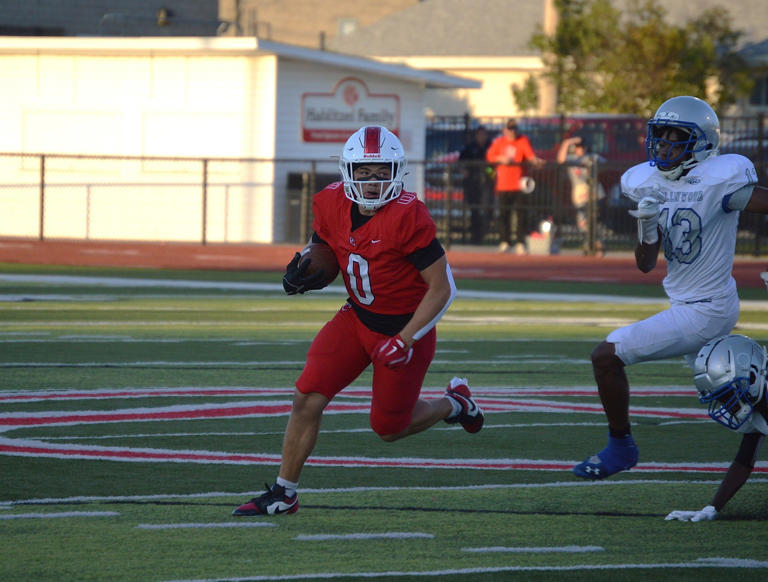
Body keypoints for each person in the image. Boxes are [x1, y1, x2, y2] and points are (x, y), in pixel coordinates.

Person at [232, 125, 484, 516]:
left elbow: (443, 287)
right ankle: (285, 492)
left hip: (404, 328)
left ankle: (454, 404)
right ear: (347, 171)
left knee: (389, 428)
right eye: (363, 172)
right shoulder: (330, 201)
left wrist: (405, 339)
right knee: (307, 395)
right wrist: (303, 264)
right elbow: (323, 244)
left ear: (396, 171)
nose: (372, 181)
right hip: (356, 317)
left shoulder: (408, 215)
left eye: (381, 170)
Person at [573, 95, 768, 481]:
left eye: (674, 138)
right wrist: (647, 225)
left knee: (605, 356)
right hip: (689, 305)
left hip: (706, 308)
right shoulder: (648, 181)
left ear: (701, 143)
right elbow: (646, 264)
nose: (662, 146)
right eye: (659, 137)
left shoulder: (719, 179)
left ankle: (621, 447)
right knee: (739, 400)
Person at [666, 334, 767, 522]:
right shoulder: (759, 402)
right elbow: (744, 460)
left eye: (728, 395)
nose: (727, 405)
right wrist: (713, 507)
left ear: (752, 375)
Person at [485, 118, 545, 254]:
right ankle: (505, 241)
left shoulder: (522, 140)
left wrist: (536, 161)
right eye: (509, 129)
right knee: (504, 214)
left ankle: (520, 242)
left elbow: (530, 155)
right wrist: (501, 158)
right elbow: (490, 156)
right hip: (503, 185)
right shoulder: (499, 142)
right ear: (504, 130)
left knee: (521, 213)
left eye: (514, 129)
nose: (512, 132)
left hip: (519, 184)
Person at [556, 135, 606, 256]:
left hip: (594, 192)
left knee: (594, 219)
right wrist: (567, 142)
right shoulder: (572, 159)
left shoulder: (592, 157)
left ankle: (596, 243)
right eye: (578, 147)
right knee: (582, 221)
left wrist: (595, 169)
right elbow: (560, 160)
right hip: (580, 194)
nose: (581, 149)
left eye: (582, 147)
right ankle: (590, 243)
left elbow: (605, 163)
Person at [459, 125, 492, 245]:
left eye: (484, 134)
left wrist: (490, 173)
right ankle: (475, 236)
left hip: (487, 182)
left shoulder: (491, 146)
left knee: (487, 208)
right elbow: (460, 163)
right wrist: (465, 172)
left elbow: (492, 166)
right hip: (472, 183)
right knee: (474, 210)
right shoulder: (469, 148)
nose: (482, 137)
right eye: (480, 134)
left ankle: (485, 234)